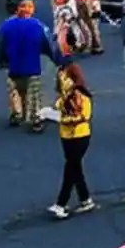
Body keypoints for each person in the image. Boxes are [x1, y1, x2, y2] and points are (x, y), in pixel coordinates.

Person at [0, 0, 62, 133]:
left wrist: (2, 61)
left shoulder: (6, 25)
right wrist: (59, 61)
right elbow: (49, 45)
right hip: (32, 67)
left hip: (13, 66)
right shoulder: (38, 25)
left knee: (15, 92)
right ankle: (35, 119)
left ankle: (17, 114)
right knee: (34, 94)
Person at [49, 63, 96, 219]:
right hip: (66, 136)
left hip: (80, 136)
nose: (61, 81)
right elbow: (58, 106)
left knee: (70, 168)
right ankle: (85, 199)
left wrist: (64, 118)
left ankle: (61, 204)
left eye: (64, 77)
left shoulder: (81, 96)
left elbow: (85, 116)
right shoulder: (64, 96)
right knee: (75, 168)